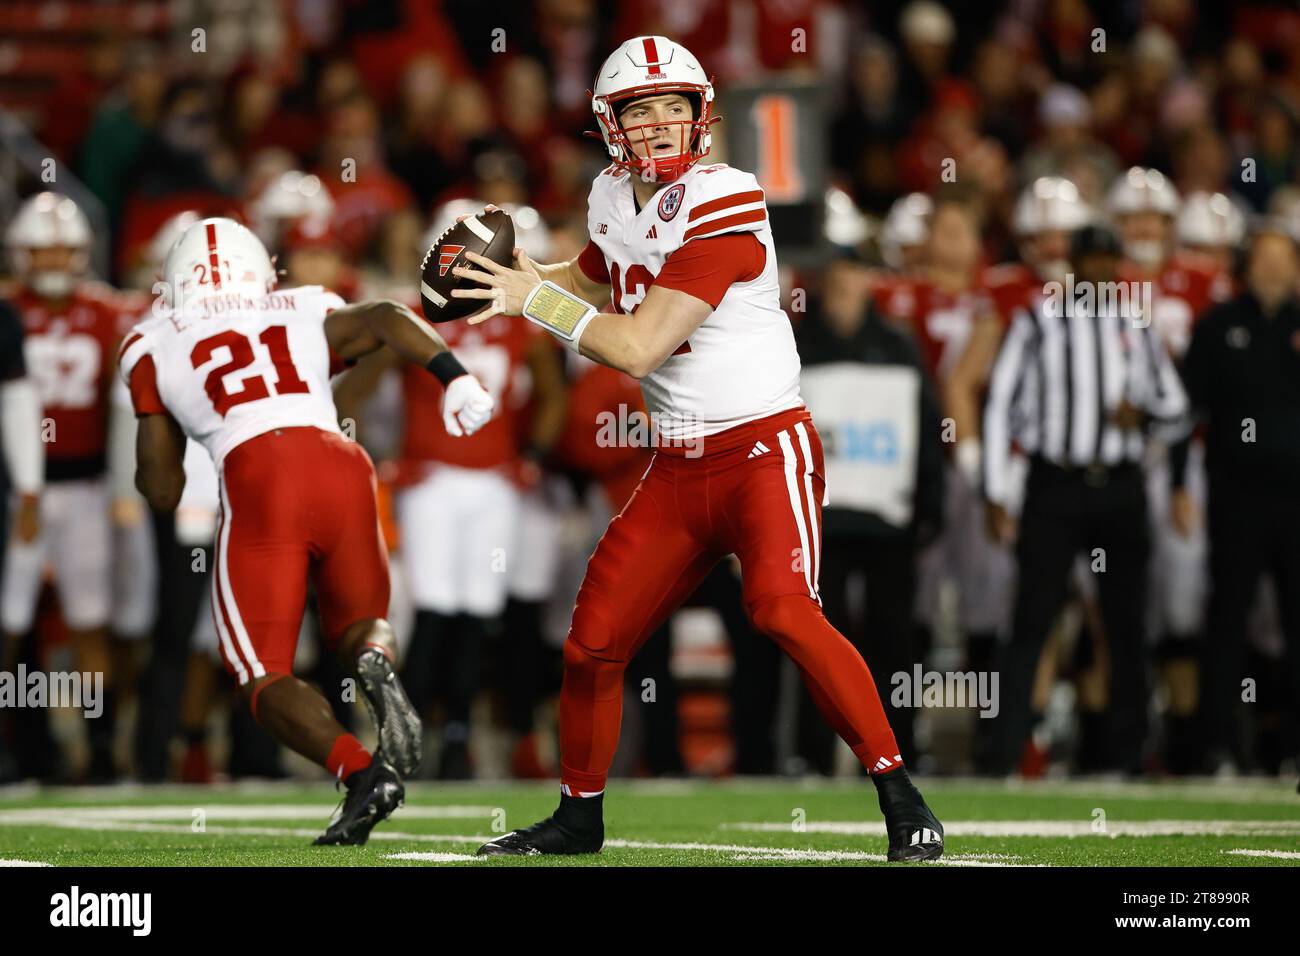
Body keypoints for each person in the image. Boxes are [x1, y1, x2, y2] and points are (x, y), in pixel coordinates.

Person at [453, 36, 944, 861]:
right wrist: (509, 276)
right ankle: (579, 817)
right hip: (678, 466)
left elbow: (638, 346)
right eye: (640, 110)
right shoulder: (612, 192)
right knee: (592, 642)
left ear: (702, 115)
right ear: (610, 124)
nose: (658, 125)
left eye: (674, 107)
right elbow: (597, 273)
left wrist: (527, 299)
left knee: (781, 609)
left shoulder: (728, 197)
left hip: (761, 450)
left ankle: (901, 793)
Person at [119, 217, 494, 843]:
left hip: (259, 470)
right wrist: (452, 375)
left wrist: (169, 431)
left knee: (261, 674)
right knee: (356, 629)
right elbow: (380, 315)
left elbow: (161, 488)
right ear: (262, 272)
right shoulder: (302, 303)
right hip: (343, 462)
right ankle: (376, 659)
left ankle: (360, 773)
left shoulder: (151, 340)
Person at [983, 224, 1190, 775]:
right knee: (1032, 620)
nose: (1099, 270)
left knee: (1126, 624)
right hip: (1056, 484)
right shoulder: (1036, 321)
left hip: (1120, 487)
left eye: (1108, 260)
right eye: (1090, 260)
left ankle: (1127, 754)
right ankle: (1004, 755)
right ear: (1073, 265)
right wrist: (996, 488)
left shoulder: (1138, 327)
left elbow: (1178, 409)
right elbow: (1000, 404)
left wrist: (1142, 416)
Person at [1172, 224, 1300, 776]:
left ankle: (1292, 748)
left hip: (1297, 499)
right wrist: (1179, 483)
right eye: (1264, 258)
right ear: (1246, 266)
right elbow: (1184, 411)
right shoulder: (1219, 325)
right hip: (1236, 494)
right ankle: (1216, 747)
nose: (1273, 268)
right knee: (1226, 621)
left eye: (1284, 259)